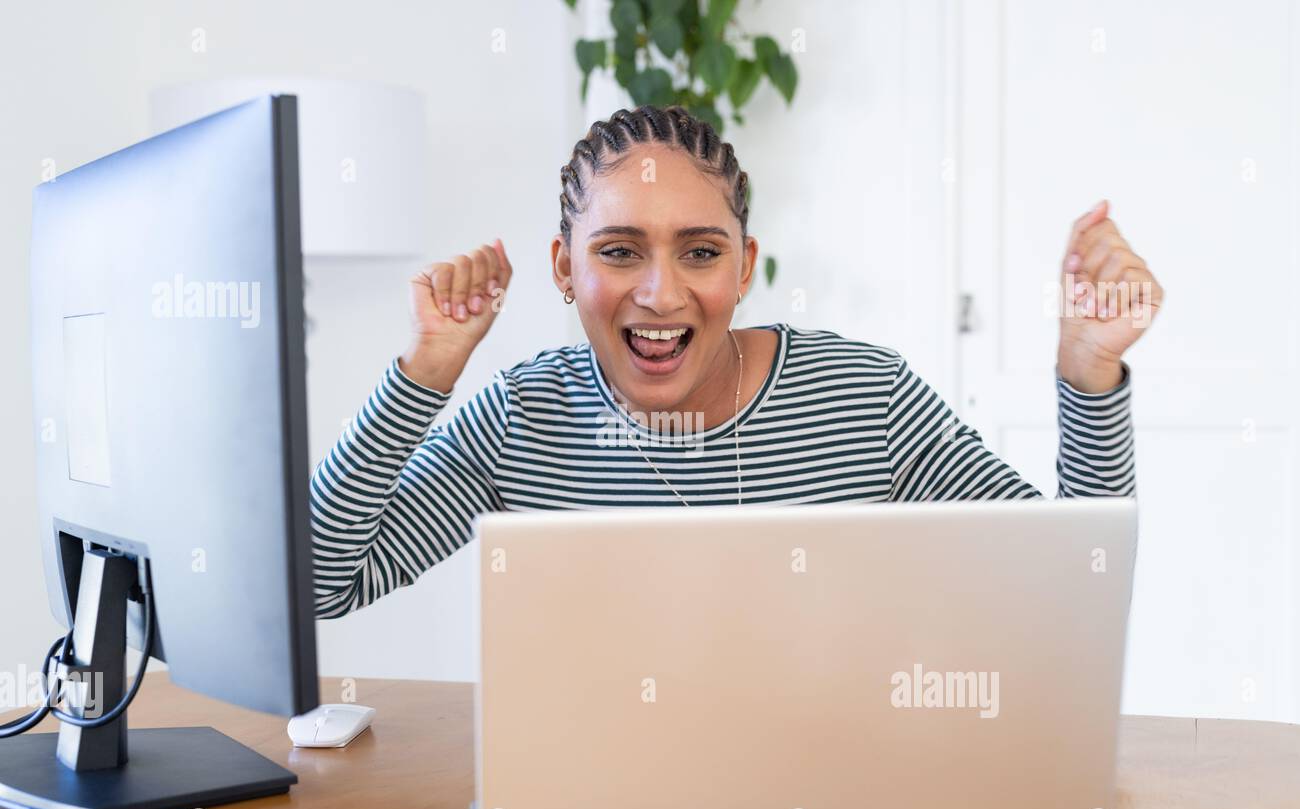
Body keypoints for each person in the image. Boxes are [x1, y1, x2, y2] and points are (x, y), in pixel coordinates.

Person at [310, 105, 1162, 619]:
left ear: (745, 268)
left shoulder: (867, 397)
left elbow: (1075, 597)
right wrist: (423, 374)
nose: (660, 293)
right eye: (617, 251)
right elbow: (318, 587)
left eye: (700, 252)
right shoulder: (520, 419)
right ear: (564, 270)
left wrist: (1089, 377)